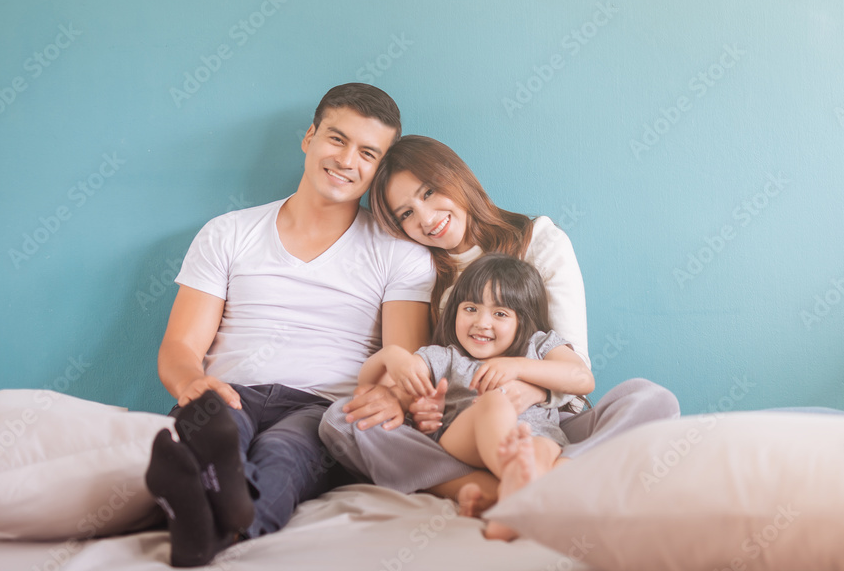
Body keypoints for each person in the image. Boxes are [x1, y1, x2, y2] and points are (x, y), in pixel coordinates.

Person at [144, 84, 436, 567]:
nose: (347, 160)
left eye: (368, 153)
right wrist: (192, 383)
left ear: (379, 168)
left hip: (322, 409)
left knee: (284, 453)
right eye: (337, 139)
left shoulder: (401, 254)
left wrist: (391, 397)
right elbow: (179, 345)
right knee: (218, 424)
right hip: (229, 393)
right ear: (309, 137)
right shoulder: (228, 232)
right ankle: (217, 500)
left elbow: (403, 362)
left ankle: (212, 519)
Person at [320, 135, 680, 513]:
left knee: (651, 399)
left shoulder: (539, 240)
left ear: (456, 177)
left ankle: (545, 478)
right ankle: (506, 489)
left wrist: (527, 388)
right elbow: (420, 377)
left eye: (428, 192)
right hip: (464, 428)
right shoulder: (421, 272)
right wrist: (413, 404)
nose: (425, 218)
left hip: (550, 421)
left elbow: (577, 372)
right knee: (343, 420)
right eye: (406, 214)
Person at [362, 253, 595, 539]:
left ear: (523, 320)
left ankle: (506, 505)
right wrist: (389, 356)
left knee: (538, 454)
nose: (482, 323)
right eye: (471, 308)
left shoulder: (539, 345)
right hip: (466, 438)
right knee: (494, 400)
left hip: (537, 435)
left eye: (500, 314)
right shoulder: (443, 357)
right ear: (455, 311)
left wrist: (518, 366)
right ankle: (512, 476)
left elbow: (582, 379)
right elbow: (374, 391)